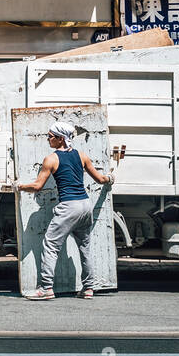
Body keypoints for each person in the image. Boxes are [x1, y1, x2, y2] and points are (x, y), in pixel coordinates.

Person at [15, 121, 113, 301]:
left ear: (61, 139)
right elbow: (100, 179)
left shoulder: (51, 159)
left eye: (50, 136)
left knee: (50, 245)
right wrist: (110, 178)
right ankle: (88, 288)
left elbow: (37, 186)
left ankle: (46, 288)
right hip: (85, 204)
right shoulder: (81, 156)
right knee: (85, 248)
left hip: (69, 206)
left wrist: (20, 186)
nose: (47, 139)